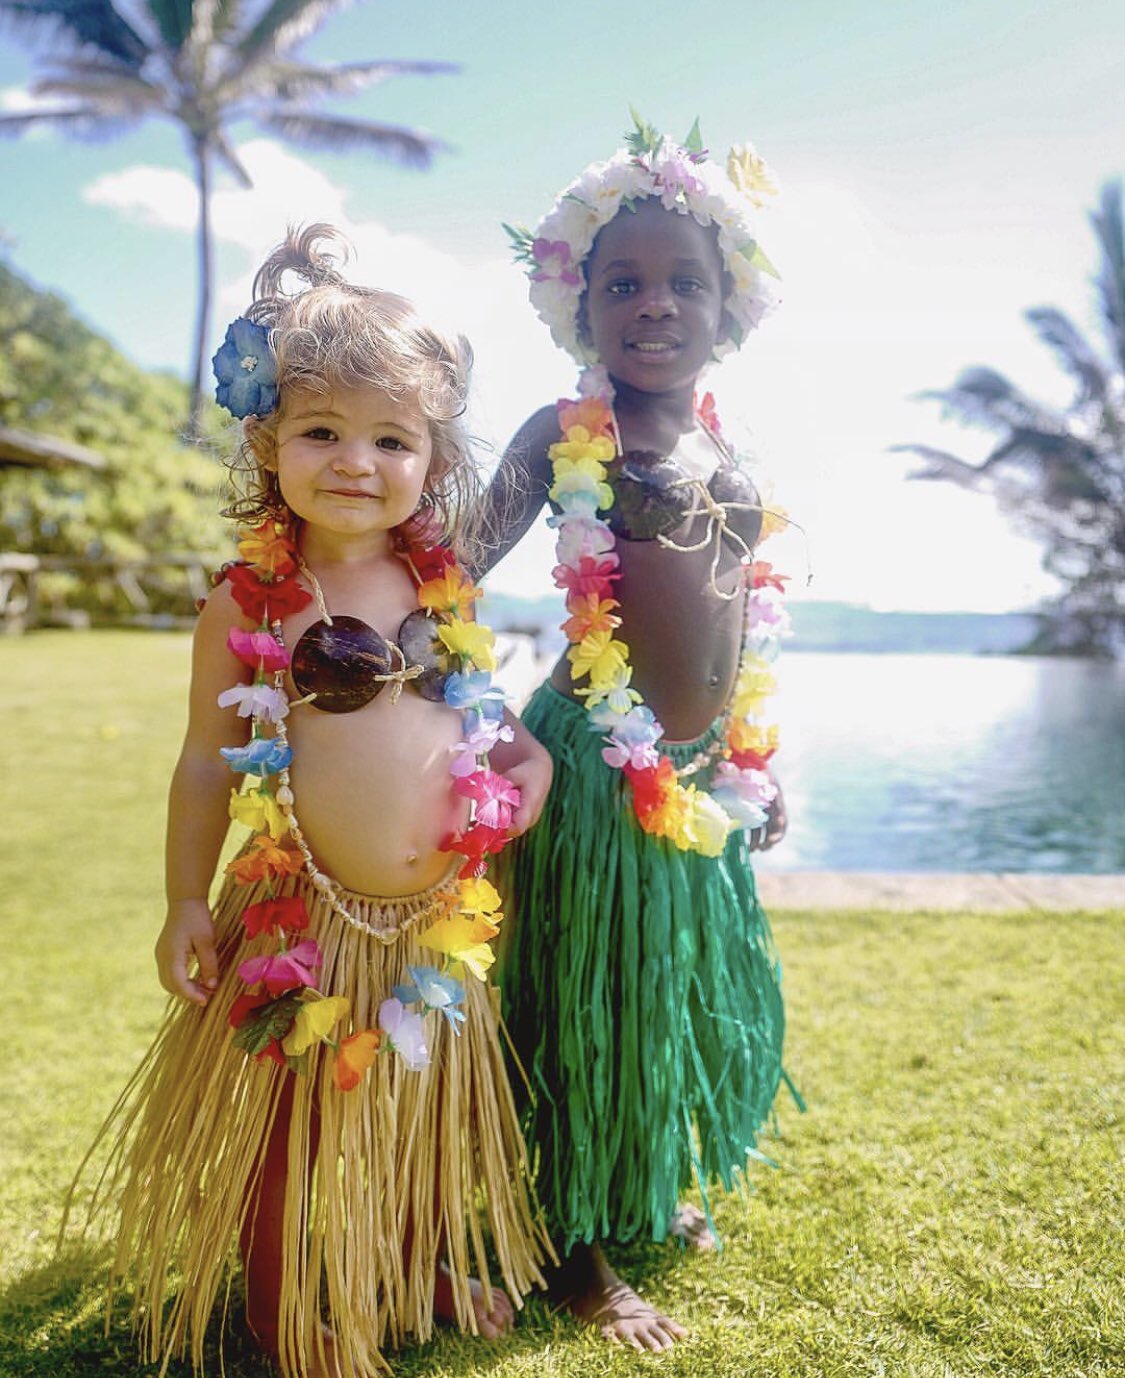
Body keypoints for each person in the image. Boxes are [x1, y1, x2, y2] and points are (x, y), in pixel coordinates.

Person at [69, 225, 553, 1378]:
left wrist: (530, 775)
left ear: (432, 461)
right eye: (322, 430)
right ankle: (284, 1309)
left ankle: (419, 1257)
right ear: (266, 439)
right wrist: (186, 899)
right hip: (302, 923)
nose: (355, 460)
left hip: (436, 922)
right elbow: (203, 758)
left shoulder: (447, 587)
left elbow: (495, 723)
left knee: (426, 1116)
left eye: (391, 437)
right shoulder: (246, 598)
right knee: (291, 1128)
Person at [481, 118, 800, 1352]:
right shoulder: (565, 440)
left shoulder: (736, 450)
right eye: (623, 282)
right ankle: (573, 1245)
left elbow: (743, 629)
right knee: (581, 994)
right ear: (581, 303)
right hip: (597, 766)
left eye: (684, 282)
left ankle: (644, 1177)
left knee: (665, 993)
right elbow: (445, 573)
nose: (653, 303)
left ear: (731, 309)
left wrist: (764, 755)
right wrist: (487, 718)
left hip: (703, 772)